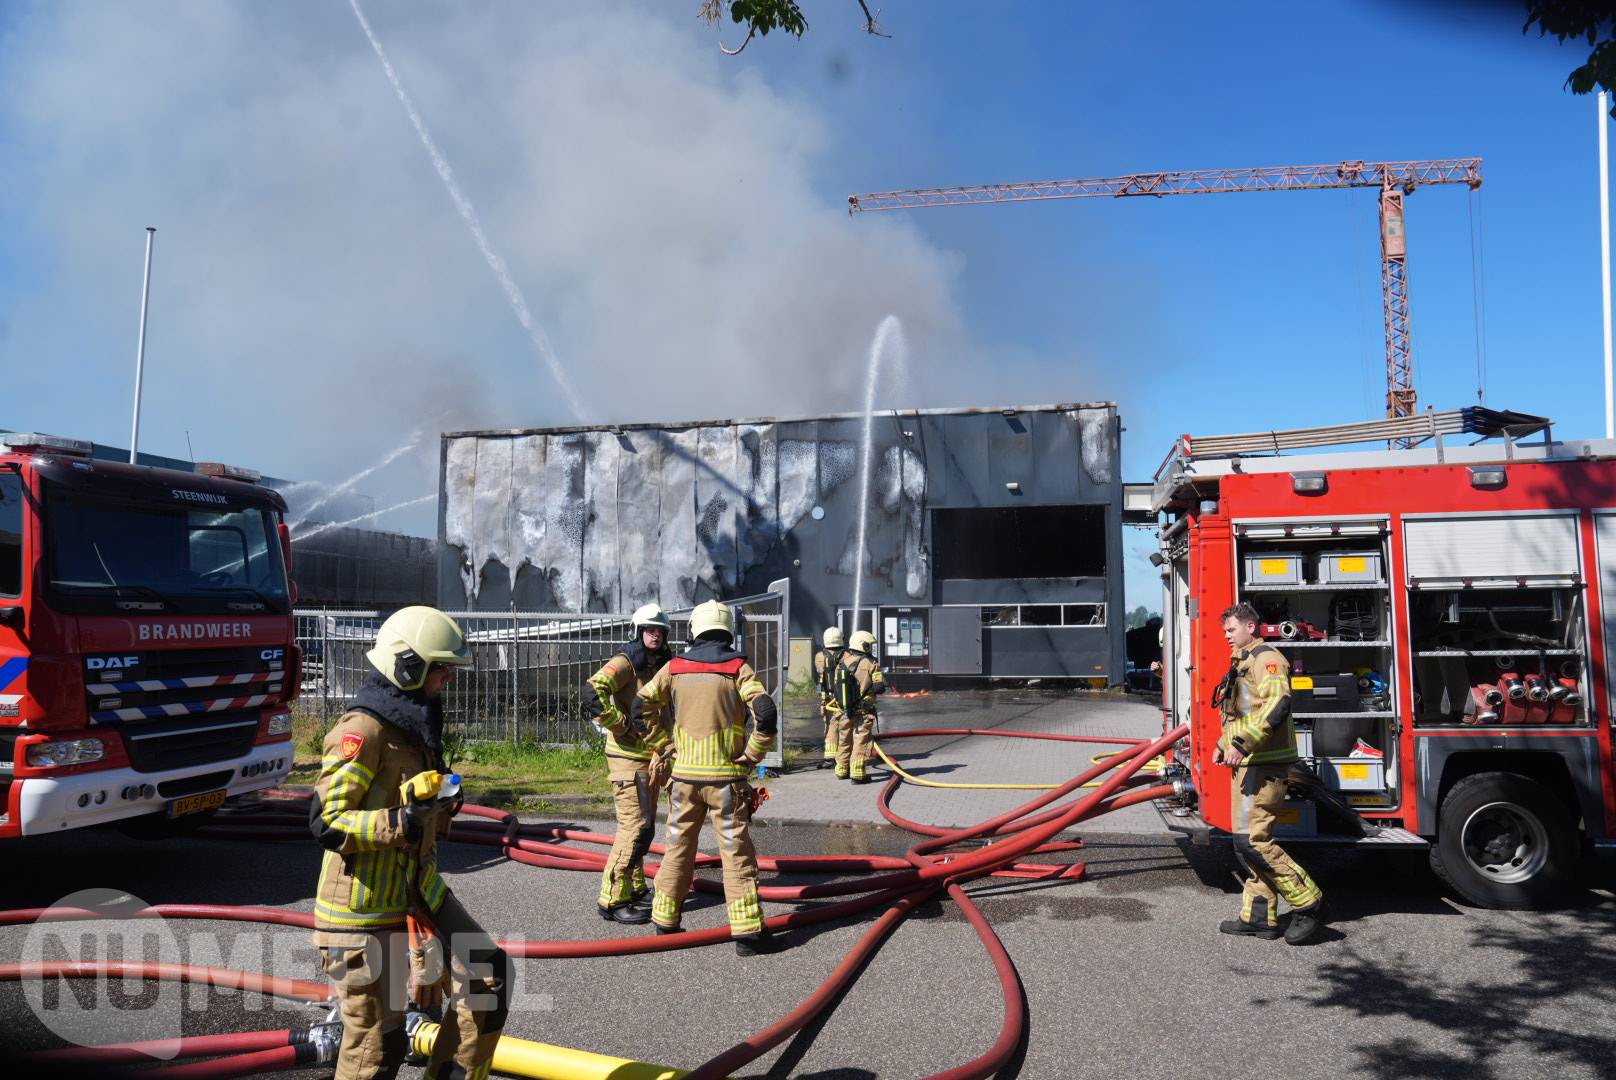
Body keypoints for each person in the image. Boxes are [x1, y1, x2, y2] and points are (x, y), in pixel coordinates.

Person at [308, 605, 512, 1080]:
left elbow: (415, 806)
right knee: (379, 1043)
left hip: (417, 891)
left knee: (490, 976)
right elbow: (327, 822)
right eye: (442, 668)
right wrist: (404, 819)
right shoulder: (363, 731)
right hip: (361, 911)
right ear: (408, 665)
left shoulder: (415, 726)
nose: (448, 679)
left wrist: (442, 803)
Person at [630, 599, 782, 955]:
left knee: (678, 847)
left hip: (683, 780)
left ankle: (665, 920)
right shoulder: (737, 668)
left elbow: (640, 706)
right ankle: (747, 934)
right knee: (735, 851)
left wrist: (663, 745)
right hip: (726, 781)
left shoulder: (674, 668)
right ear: (727, 630)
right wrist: (753, 754)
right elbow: (764, 711)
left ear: (694, 630)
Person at [1213, 602, 1326, 945]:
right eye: (1225, 630)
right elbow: (1244, 712)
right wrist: (1224, 743)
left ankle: (1308, 902)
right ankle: (1259, 917)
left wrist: (1242, 744)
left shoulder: (1267, 659)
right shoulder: (1245, 661)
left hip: (1264, 766)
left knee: (1253, 842)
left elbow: (1278, 705)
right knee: (1246, 844)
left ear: (1250, 626)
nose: (1226, 635)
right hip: (1250, 765)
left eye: (1231, 629)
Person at [582, 603, 674, 925]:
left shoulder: (660, 663)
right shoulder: (625, 662)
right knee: (633, 828)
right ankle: (611, 899)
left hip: (649, 759)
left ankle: (635, 887)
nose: (656, 635)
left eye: (660, 631)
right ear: (638, 631)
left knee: (645, 828)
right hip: (627, 760)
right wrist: (621, 725)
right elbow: (591, 693)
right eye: (650, 630)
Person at [828, 629, 886, 782]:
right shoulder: (872, 664)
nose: (870, 648)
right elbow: (879, 687)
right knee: (861, 741)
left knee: (844, 740)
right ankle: (858, 774)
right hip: (863, 711)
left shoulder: (842, 662)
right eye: (869, 645)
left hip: (844, 711)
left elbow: (836, 687)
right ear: (863, 645)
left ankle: (841, 770)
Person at [814, 627, 847, 768]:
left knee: (830, 726)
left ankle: (830, 757)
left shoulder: (819, 657)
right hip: (845, 698)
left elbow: (820, 673)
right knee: (846, 727)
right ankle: (843, 756)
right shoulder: (847, 656)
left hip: (828, 699)